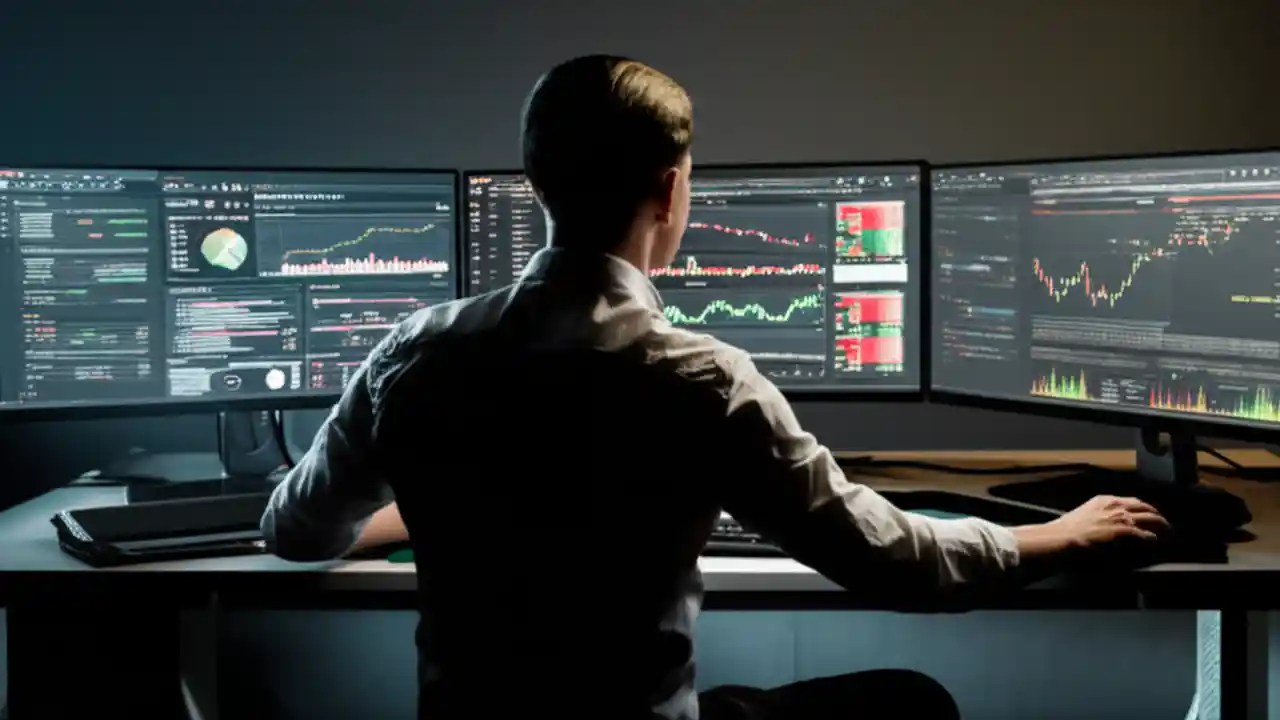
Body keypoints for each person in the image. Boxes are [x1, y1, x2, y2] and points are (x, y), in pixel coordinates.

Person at [261, 55, 1169, 720]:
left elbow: (294, 530)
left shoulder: (415, 356)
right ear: (669, 189)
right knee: (909, 703)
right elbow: (889, 561)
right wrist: (1054, 536)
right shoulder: (698, 382)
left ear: (536, 180)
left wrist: (444, 496)